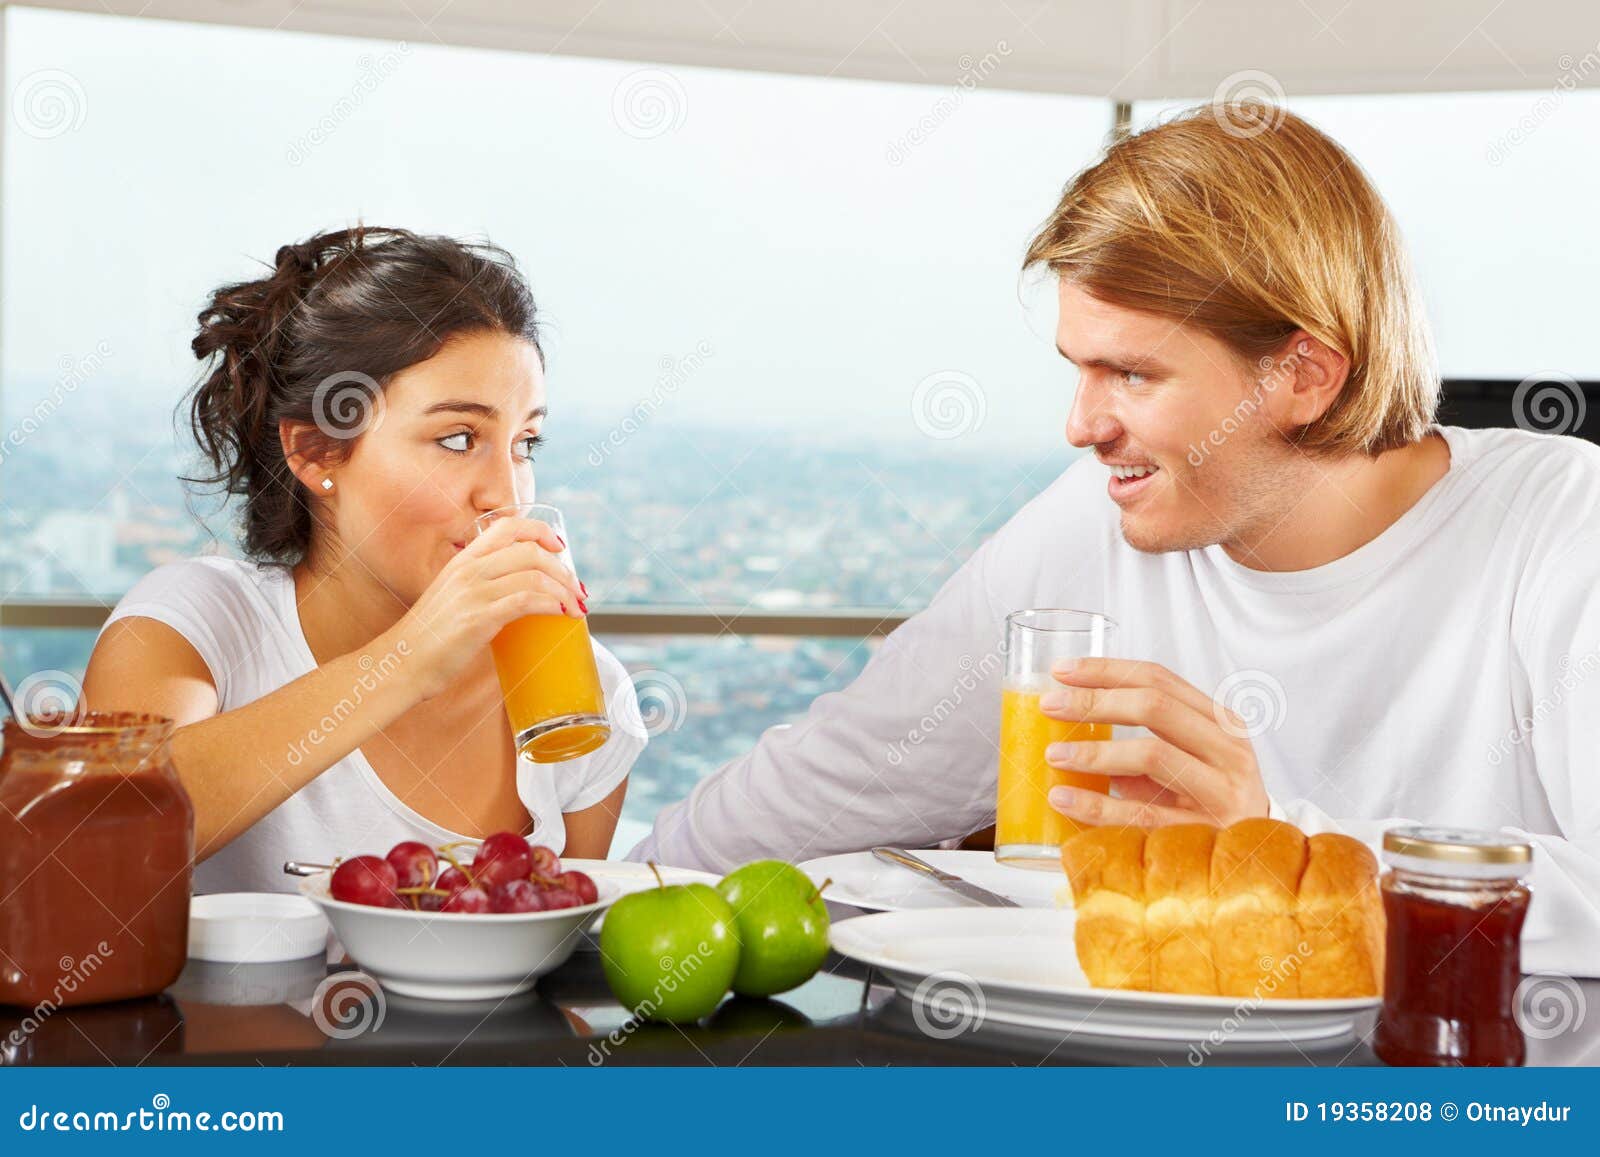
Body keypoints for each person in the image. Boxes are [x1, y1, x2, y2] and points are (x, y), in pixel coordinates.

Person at [632, 104, 1600, 977]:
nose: (1081, 425)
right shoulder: (1090, 523)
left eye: (1133, 374)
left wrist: (1272, 843)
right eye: (1079, 369)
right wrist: (608, 901)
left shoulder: (1561, 523)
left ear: (1303, 375)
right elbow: (840, 774)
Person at [84, 226, 643, 893]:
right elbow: (99, 845)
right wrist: (409, 659)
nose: (507, 493)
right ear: (316, 451)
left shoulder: (584, 694)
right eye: (458, 438)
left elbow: (558, 938)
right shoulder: (195, 622)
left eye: (525, 443)